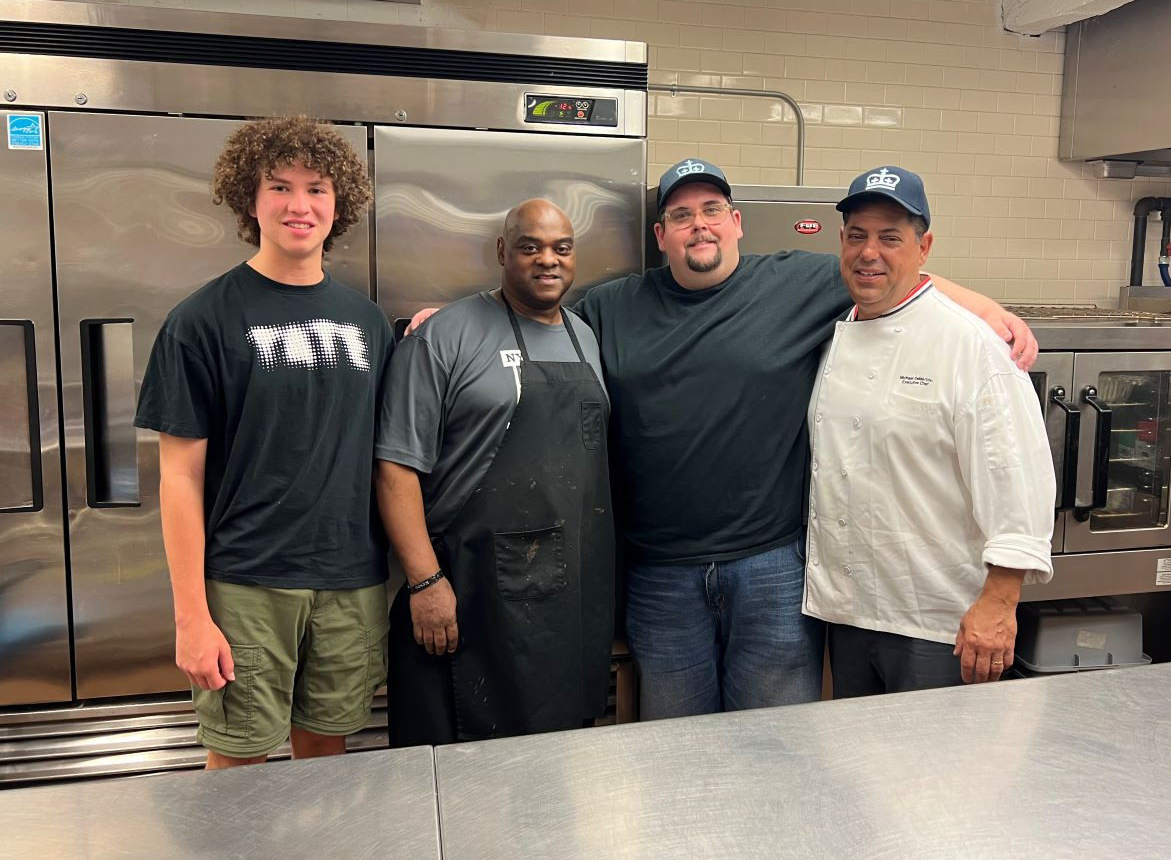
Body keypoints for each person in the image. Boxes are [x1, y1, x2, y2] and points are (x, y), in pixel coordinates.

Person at [567, 158, 1039, 720]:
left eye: (712, 210)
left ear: (736, 222)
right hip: (660, 574)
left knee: (781, 742)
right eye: (681, 215)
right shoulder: (611, 305)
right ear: (661, 233)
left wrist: (989, 311)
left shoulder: (797, 282)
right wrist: (468, 328)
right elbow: (540, 323)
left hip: (773, 568)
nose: (699, 225)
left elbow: (899, 275)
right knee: (678, 744)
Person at [135, 116, 394, 769]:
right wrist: (191, 617)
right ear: (249, 201)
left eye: (316, 188)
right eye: (280, 186)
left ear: (339, 204)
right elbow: (178, 478)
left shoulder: (368, 322)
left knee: (327, 756)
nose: (299, 205)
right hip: (246, 584)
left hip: (350, 581)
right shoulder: (201, 321)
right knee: (238, 764)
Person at [803, 166, 1055, 696]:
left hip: (942, 622)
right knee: (854, 750)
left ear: (924, 247)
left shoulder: (971, 345)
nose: (869, 252)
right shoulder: (835, 333)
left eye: (890, 238)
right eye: (857, 236)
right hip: (848, 613)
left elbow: (1017, 478)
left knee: (937, 753)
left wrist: (1000, 601)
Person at [375, 199, 614, 745]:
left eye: (561, 248)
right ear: (503, 251)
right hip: (470, 594)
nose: (547, 260)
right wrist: (425, 581)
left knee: (552, 763)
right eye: (530, 247)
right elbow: (394, 468)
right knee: (458, 771)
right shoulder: (444, 336)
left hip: (571, 600)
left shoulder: (585, 336)